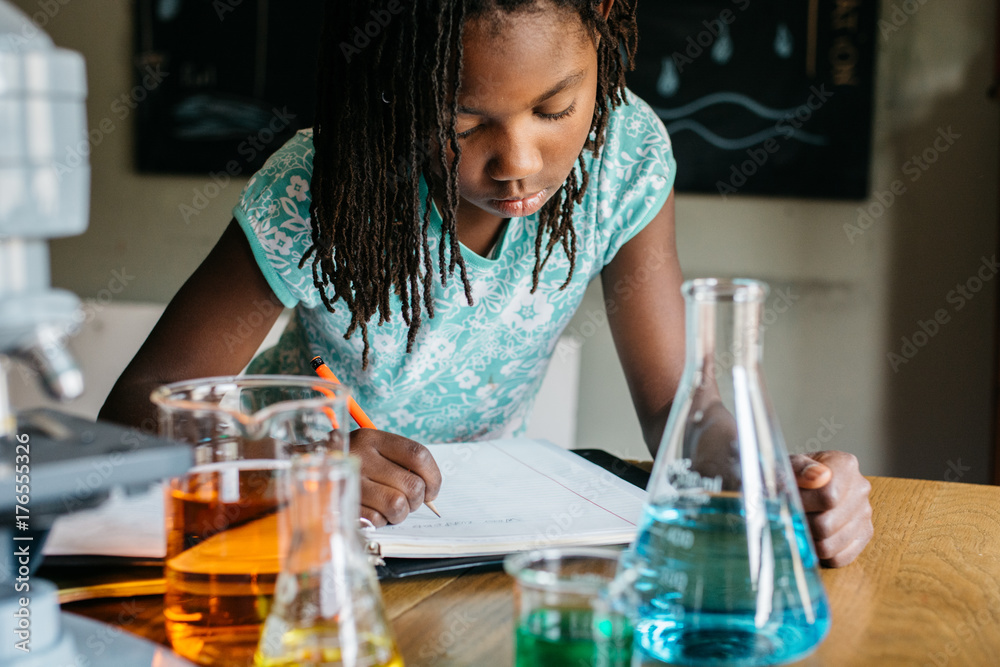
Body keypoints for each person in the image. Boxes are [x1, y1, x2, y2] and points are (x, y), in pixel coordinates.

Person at [100, 0, 873, 566]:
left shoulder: (624, 156)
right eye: (462, 125)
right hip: (303, 544)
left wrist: (774, 485)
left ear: (603, 27)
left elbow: (677, 405)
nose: (518, 162)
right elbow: (142, 405)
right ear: (393, 87)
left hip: (484, 541)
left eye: (554, 107)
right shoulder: (319, 186)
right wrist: (294, 459)